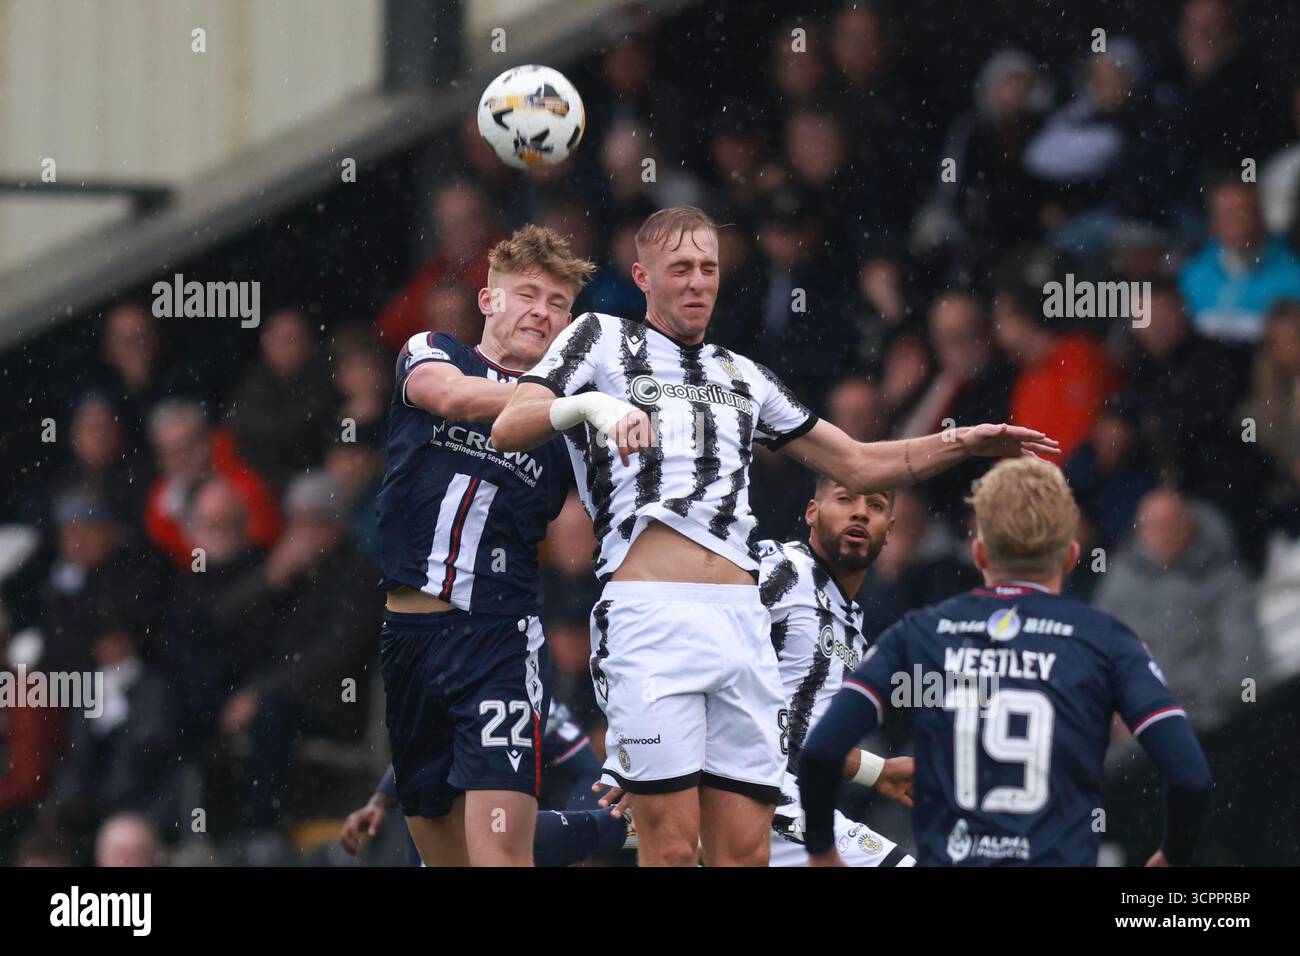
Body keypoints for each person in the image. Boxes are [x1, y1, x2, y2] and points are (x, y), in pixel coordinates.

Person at [491, 205, 1057, 867]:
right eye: (681, 269)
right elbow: (511, 423)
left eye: (709, 268)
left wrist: (965, 441)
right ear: (642, 275)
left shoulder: (745, 375)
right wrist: (592, 405)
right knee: (670, 849)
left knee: (746, 854)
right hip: (651, 617)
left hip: (740, 626)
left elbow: (856, 462)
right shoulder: (598, 337)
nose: (698, 282)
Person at [799, 458, 1213, 866]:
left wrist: (821, 852)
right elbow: (1190, 776)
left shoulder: (919, 633)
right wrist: (1171, 856)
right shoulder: (1108, 641)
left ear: (980, 553)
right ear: (1070, 557)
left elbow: (819, 751)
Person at [375, 224, 595, 866]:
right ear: (489, 301)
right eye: (527, 294)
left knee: (497, 853)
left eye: (558, 304)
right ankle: (614, 829)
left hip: (497, 640)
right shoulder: (434, 351)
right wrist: (558, 408)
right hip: (407, 641)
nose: (541, 312)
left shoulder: (571, 429)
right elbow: (447, 395)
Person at [760, 476, 915, 867]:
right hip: (748, 793)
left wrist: (880, 772)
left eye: (876, 506)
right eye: (845, 499)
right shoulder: (781, 567)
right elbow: (696, 647)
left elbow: (796, 735)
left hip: (789, 799)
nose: (861, 511)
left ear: (889, 532)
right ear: (812, 512)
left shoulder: (853, 620)